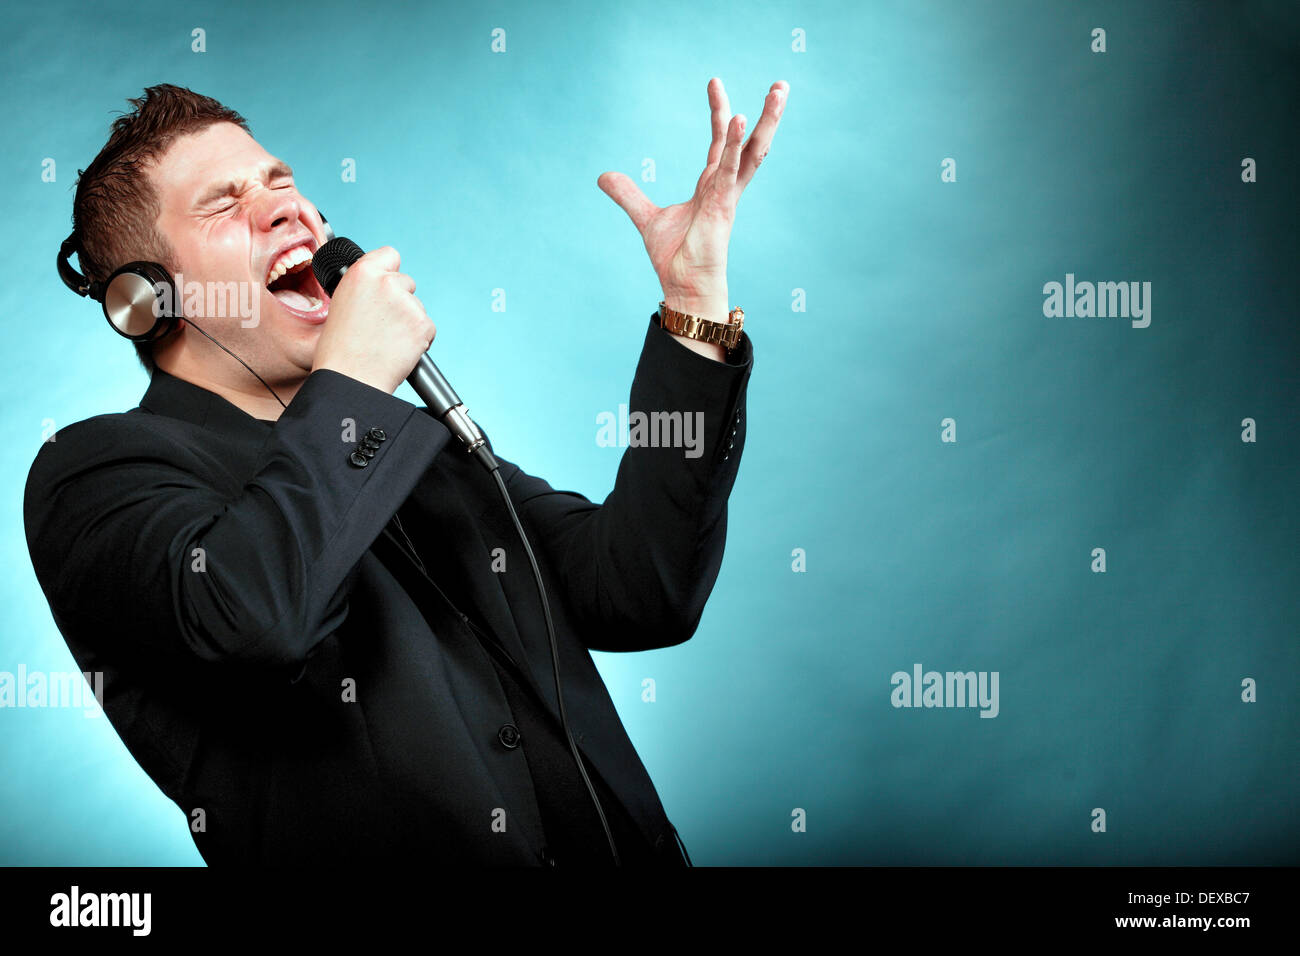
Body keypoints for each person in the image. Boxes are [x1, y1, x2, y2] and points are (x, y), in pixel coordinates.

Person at [23, 80, 788, 866]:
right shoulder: (92, 473)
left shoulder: (414, 443)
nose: (286, 208)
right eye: (223, 205)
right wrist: (352, 380)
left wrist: (694, 310)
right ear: (147, 300)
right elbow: (256, 619)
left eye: (283, 183)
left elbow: (639, 592)